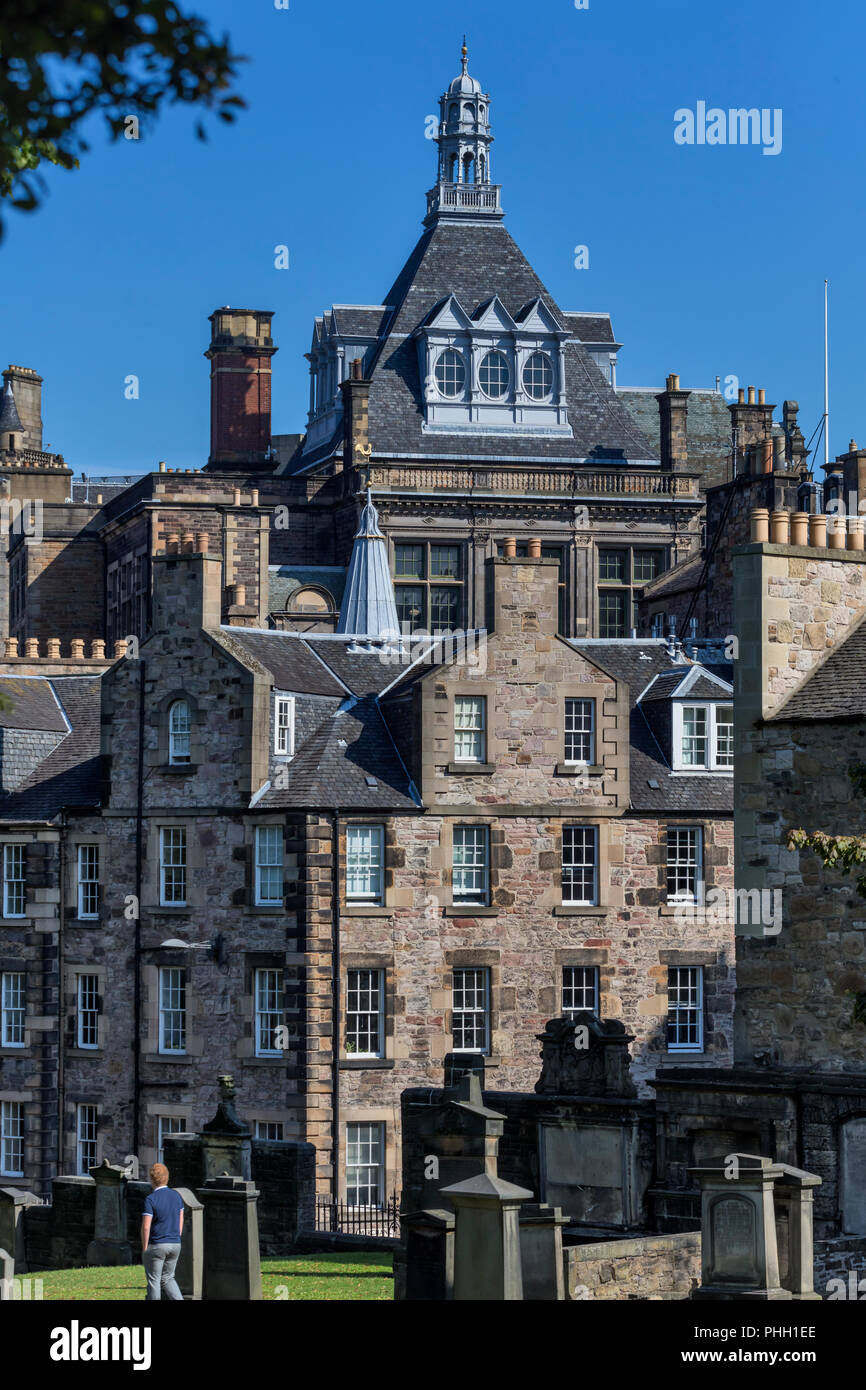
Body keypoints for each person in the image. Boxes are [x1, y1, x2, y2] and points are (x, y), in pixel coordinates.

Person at [141, 1163, 185, 1301]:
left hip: (157, 1244)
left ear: (152, 1179)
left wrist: (145, 1247)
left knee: (154, 1281)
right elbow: (180, 1222)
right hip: (175, 1243)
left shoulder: (151, 1199)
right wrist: (176, 1238)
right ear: (167, 1177)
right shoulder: (177, 1196)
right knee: (168, 1278)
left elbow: (146, 1227)